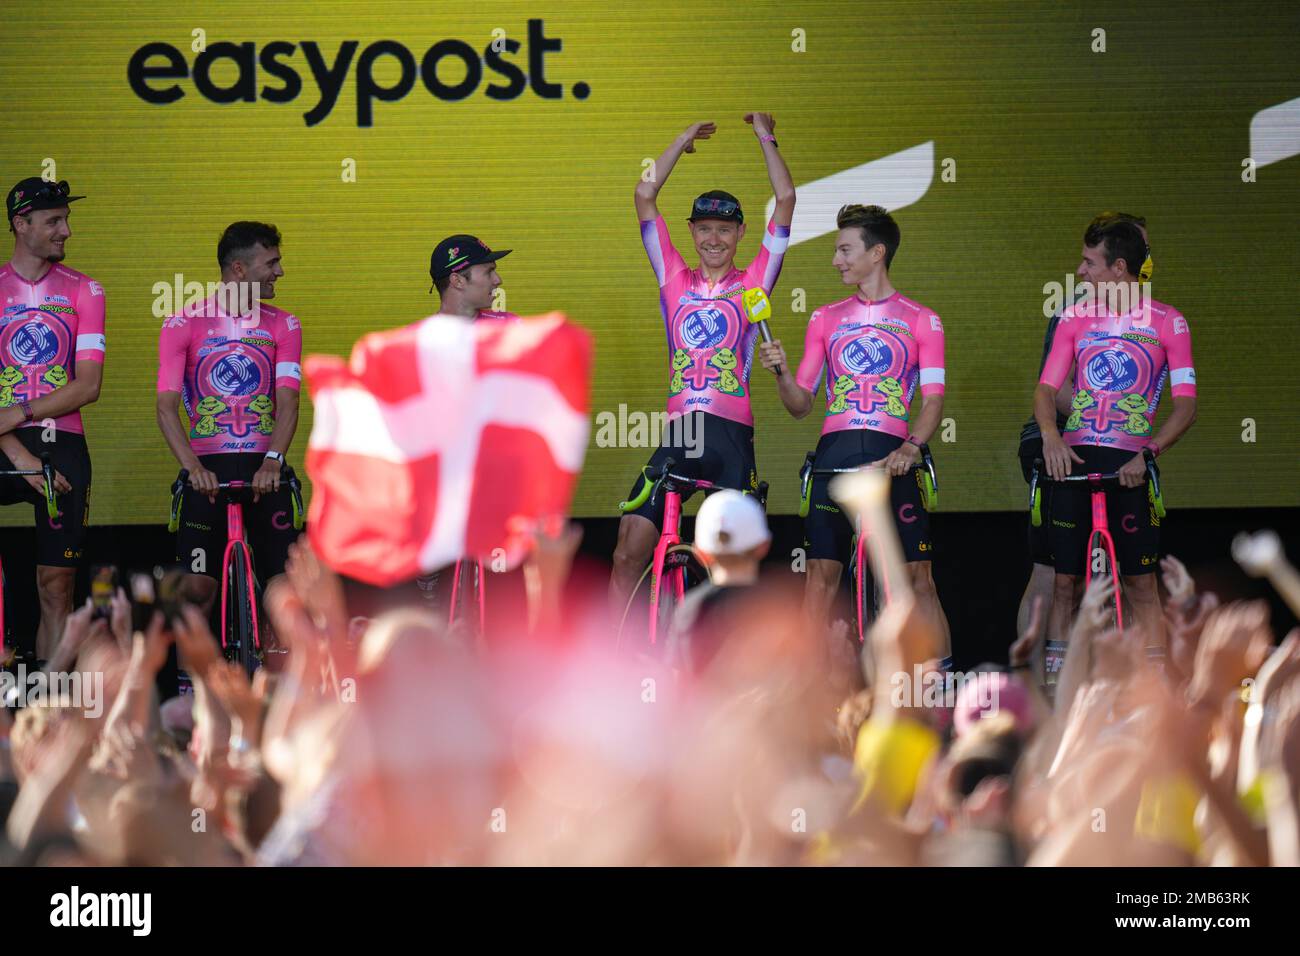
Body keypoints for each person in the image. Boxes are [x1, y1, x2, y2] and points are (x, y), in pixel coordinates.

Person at [610, 114, 794, 613]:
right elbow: (644, 197)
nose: (714, 239)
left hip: (732, 437)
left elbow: (787, 202)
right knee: (629, 546)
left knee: (733, 574)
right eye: (705, 229)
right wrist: (680, 140)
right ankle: (609, 662)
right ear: (691, 231)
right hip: (681, 434)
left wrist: (765, 138)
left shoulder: (755, 279)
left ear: (739, 233)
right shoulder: (674, 278)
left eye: (725, 230)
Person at [759, 204, 951, 662]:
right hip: (833, 456)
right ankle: (803, 690)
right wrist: (782, 374)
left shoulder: (923, 318)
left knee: (918, 577)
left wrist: (912, 446)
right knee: (820, 580)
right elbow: (800, 405)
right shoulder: (824, 318)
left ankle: (939, 688)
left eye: (845, 250)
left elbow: (934, 401)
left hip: (894, 456)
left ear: (877, 253)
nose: (836, 260)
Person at [1035, 218, 1196, 654]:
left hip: (1129, 465)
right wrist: (1052, 438)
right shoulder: (1073, 317)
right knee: (1064, 584)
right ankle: (1058, 698)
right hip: (1075, 462)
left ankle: (1154, 693)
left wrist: (1148, 454)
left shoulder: (1169, 322)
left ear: (1118, 267)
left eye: (1089, 262)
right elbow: (1046, 389)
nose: (1081, 271)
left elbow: (1186, 407)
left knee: (1140, 584)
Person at [1016, 211, 1149, 686]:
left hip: (1112, 447)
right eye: (1136, 251)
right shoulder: (1076, 311)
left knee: (1133, 576)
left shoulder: (1150, 319)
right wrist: (1111, 407)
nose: (1142, 263)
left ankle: (1128, 686)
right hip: (1055, 439)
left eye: (1145, 254)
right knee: (1053, 573)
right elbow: (1058, 392)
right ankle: (1037, 686)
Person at [156, 221, 302, 615]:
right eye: (271, 263)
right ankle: (192, 677)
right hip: (206, 471)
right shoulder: (182, 323)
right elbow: (165, 407)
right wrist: (192, 468)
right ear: (239, 269)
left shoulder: (284, 324)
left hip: (264, 468)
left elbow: (288, 402)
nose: (280, 272)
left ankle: (284, 669)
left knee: (285, 588)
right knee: (197, 588)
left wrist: (274, 461)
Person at [0, 177, 102, 662]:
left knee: (57, 584)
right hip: (5, 446)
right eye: (53, 221)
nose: (67, 231)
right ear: (21, 224)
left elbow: (87, 386)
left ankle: (52, 708)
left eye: (67, 219)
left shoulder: (86, 290)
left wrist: (18, 412)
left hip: (61, 442)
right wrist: (17, 452)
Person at [666, 489, 770, 672]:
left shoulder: (689, 609)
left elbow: (676, 679)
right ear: (763, 546)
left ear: (700, 553)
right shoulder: (779, 608)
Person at [429, 234, 519, 321]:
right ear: (458, 281)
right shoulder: (423, 335)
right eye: (488, 272)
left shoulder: (510, 326)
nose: (498, 280)